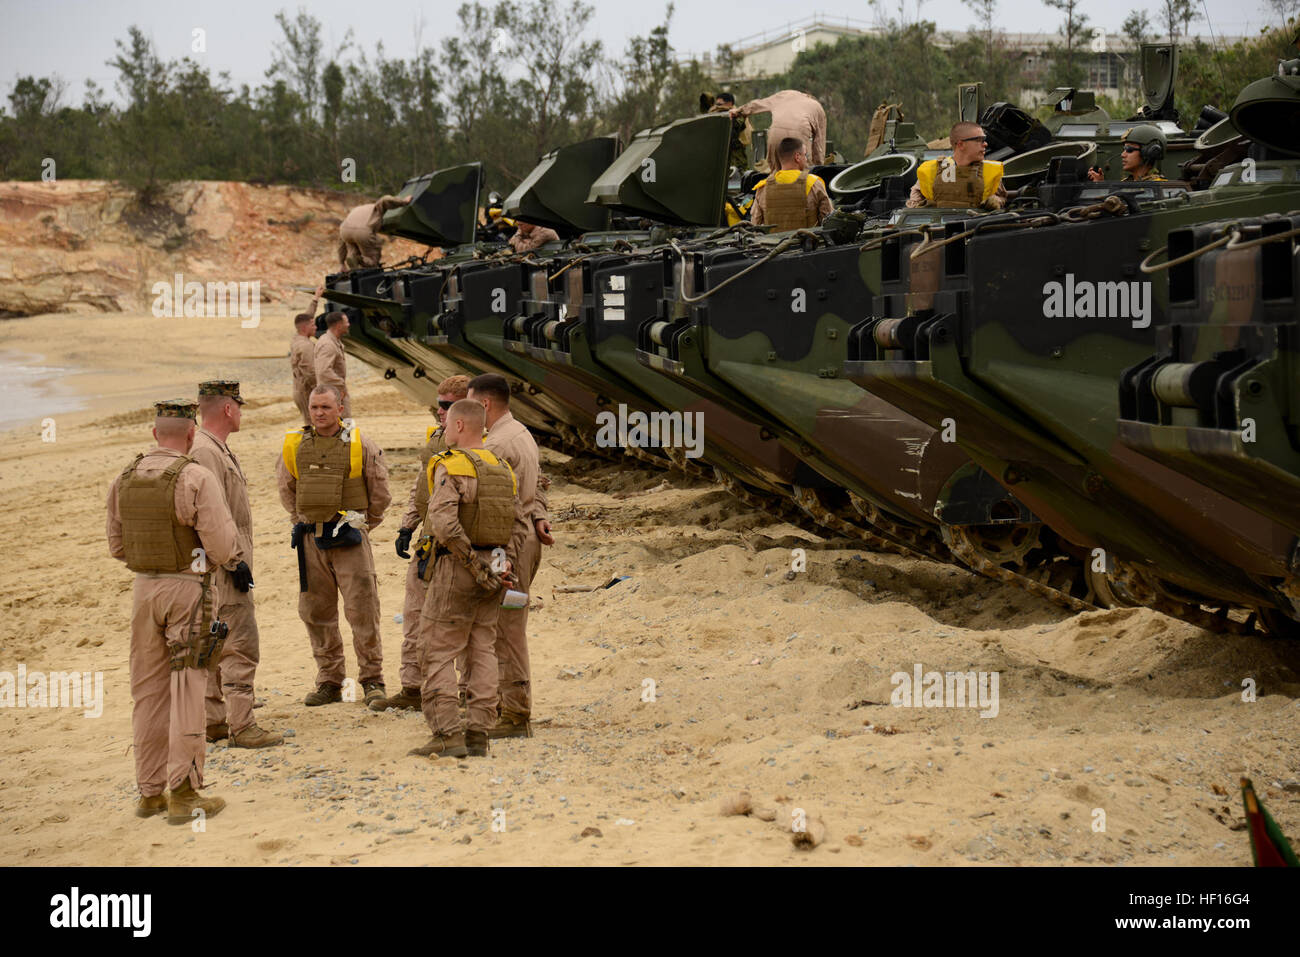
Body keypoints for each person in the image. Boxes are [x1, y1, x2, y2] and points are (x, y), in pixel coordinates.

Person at [106, 400, 238, 824]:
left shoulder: (122, 479)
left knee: (147, 694)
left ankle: (149, 794)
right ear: (192, 434)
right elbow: (221, 547)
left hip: (143, 591)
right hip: (188, 590)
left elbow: (117, 547)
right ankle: (183, 792)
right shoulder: (195, 476)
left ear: (153, 432)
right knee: (187, 692)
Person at [410, 398, 530, 759]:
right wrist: (500, 564)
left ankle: (447, 733)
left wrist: (469, 562)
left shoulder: (452, 466)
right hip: (495, 569)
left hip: (455, 570)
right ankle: (479, 732)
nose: (444, 429)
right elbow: (519, 525)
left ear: (461, 426)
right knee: (483, 650)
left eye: (448, 425)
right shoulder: (502, 469)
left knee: (436, 650)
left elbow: (444, 523)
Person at [277, 384, 392, 709]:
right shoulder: (295, 444)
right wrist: (305, 521)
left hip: (349, 540)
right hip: (311, 540)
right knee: (316, 612)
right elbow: (287, 488)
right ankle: (330, 681)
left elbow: (380, 490)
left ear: (340, 408)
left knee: (362, 610)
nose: (319, 413)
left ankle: (372, 681)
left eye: (326, 407)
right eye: (314, 407)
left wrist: (363, 525)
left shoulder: (359, 444)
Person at [191, 381, 282, 749]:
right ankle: (242, 726)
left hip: (220, 562)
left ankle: (214, 720)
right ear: (228, 409)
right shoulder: (206, 452)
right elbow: (211, 516)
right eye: (238, 407)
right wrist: (233, 561)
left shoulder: (212, 448)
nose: (241, 413)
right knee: (240, 642)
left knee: (214, 641)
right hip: (224, 565)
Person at [376, 374, 472, 713]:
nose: (438, 412)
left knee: (460, 622)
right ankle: (412, 686)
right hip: (428, 542)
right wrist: (407, 526)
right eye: (437, 405)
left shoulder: (481, 443)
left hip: (462, 545)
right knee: (414, 615)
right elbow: (422, 488)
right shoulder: (436, 440)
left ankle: (466, 690)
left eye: (446, 407)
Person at [467, 373, 553, 738]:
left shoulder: (498, 445)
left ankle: (516, 715)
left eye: (472, 405)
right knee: (506, 626)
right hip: (521, 542)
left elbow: (494, 505)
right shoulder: (519, 433)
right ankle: (508, 705)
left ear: (484, 404)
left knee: (507, 629)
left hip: (508, 549)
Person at [907, 121, 1007, 210]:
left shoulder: (989, 172)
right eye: (979, 140)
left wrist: (997, 201)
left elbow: (1003, 198)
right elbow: (913, 206)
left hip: (975, 226)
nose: (985, 144)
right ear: (961, 145)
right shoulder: (932, 171)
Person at [750, 137, 834, 232]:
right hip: (806, 244)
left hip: (774, 245)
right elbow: (828, 222)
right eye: (805, 155)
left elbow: (755, 225)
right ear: (797, 157)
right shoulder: (814, 184)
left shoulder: (763, 188)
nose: (806, 159)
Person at [732, 90, 827, 172]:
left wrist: (739, 111)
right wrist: (818, 166)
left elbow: (758, 104)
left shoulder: (784, 95)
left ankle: (774, 191)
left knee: (775, 173)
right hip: (800, 133)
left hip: (775, 132)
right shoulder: (817, 107)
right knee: (803, 174)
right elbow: (819, 144)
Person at [338, 195, 412, 271]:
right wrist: (404, 202)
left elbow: (341, 241)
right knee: (372, 260)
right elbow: (385, 199)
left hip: (345, 232)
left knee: (353, 250)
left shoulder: (356, 210)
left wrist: (341, 263)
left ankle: (354, 261)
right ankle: (359, 259)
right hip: (362, 232)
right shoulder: (376, 207)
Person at [1088, 125, 1168, 183]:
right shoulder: (1128, 183)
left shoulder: (1159, 187)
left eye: (1129, 149)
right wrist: (1100, 184)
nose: (1123, 155)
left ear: (1149, 152)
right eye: (1124, 150)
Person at [290, 285, 323, 426]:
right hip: (306, 392)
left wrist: (316, 298)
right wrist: (322, 392)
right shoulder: (305, 346)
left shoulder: (297, 337)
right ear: (305, 328)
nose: (315, 327)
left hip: (300, 390)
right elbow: (310, 373)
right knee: (312, 424)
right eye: (313, 325)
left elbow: (306, 317)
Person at [314, 311, 352, 420]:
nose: (348, 325)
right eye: (346, 322)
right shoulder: (328, 345)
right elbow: (324, 371)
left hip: (334, 393)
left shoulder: (333, 341)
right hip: (332, 394)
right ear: (339, 325)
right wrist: (340, 385)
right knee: (342, 426)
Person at [708, 91, 752, 172]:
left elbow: (732, 133)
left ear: (729, 104)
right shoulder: (716, 117)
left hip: (736, 162)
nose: (717, 107)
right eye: (716, 104)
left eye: (720, 104)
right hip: (721, 162)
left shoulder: (738, 116)